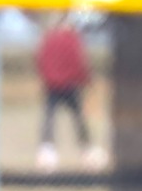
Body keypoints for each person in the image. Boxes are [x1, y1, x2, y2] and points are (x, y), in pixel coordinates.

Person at [35, 12, 106, 171]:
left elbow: (40, 60)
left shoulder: (49, 38)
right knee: (77, 119)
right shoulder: (71, 39)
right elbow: (79, 61)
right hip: (68, 85)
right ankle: (86, 150)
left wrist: (46, 77)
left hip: (53, 85)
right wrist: (87, 80)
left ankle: (47, 152)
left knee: (51, 119)